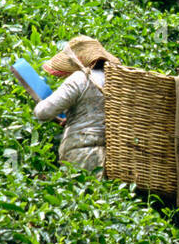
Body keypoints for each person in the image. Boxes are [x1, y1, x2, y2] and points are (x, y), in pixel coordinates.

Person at [33, 36, 121, 173]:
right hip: (114, 157)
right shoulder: (116, 80)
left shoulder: (80, 78)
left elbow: (43, 112)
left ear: (78, 60)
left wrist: (38, 101)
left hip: (82, 156)